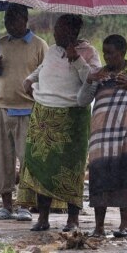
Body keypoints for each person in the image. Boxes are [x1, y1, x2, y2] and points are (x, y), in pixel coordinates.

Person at [20, 14, 101, 232]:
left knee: (70, 169)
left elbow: (93, 80)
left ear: (73, 32)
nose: (55, 33)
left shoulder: (88, 52)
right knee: (40, 166)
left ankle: (72, 220)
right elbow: (44, 68)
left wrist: (77, 59)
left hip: (71, 117)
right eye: (56, 29)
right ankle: (43, 217)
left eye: (60, 29)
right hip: (43, 113)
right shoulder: (53, 50)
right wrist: (30, 79)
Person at [78, 34, 127, 238]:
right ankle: (99, 227)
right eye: (104, 53)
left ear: (122, 53)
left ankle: (123, 226)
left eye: (110, 53)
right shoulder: (98, 75)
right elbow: (82, 100)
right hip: (101, 137)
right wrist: (89, 81)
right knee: (100, 177)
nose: (107, 57)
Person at [0, 3, 47, 221]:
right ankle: (6, 206)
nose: (8, 25)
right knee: (3, 158)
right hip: (1, 107)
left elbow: (46, 75)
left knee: (28, 159)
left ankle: (25, 206)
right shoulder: (1, 43)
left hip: (27, 109)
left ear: (24, 20)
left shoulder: (39, 45)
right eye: (5, 22)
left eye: (12, 21)